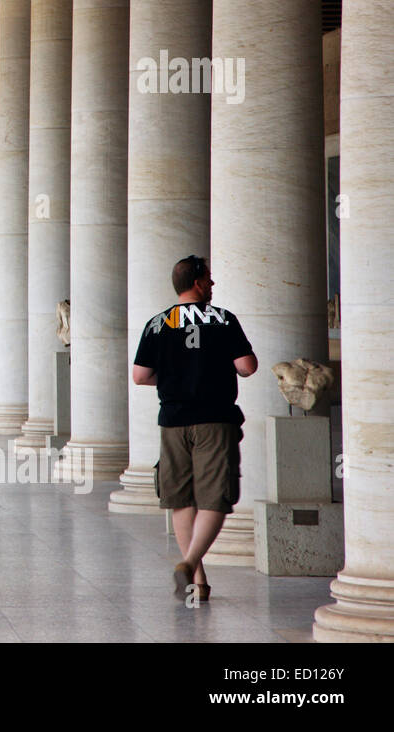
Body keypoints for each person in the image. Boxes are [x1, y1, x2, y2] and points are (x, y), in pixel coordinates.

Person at [132, 255, 257, 605]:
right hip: (215, 418)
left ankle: (198, 580)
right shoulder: (222, 319)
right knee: (216, 496)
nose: (213, 286)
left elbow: (140, 376)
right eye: (210, 280)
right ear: (198, 282)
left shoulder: (157, 324)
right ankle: (188, 564)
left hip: (172, 421)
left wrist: (173, 379)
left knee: (181, 498)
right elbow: (247, 367)